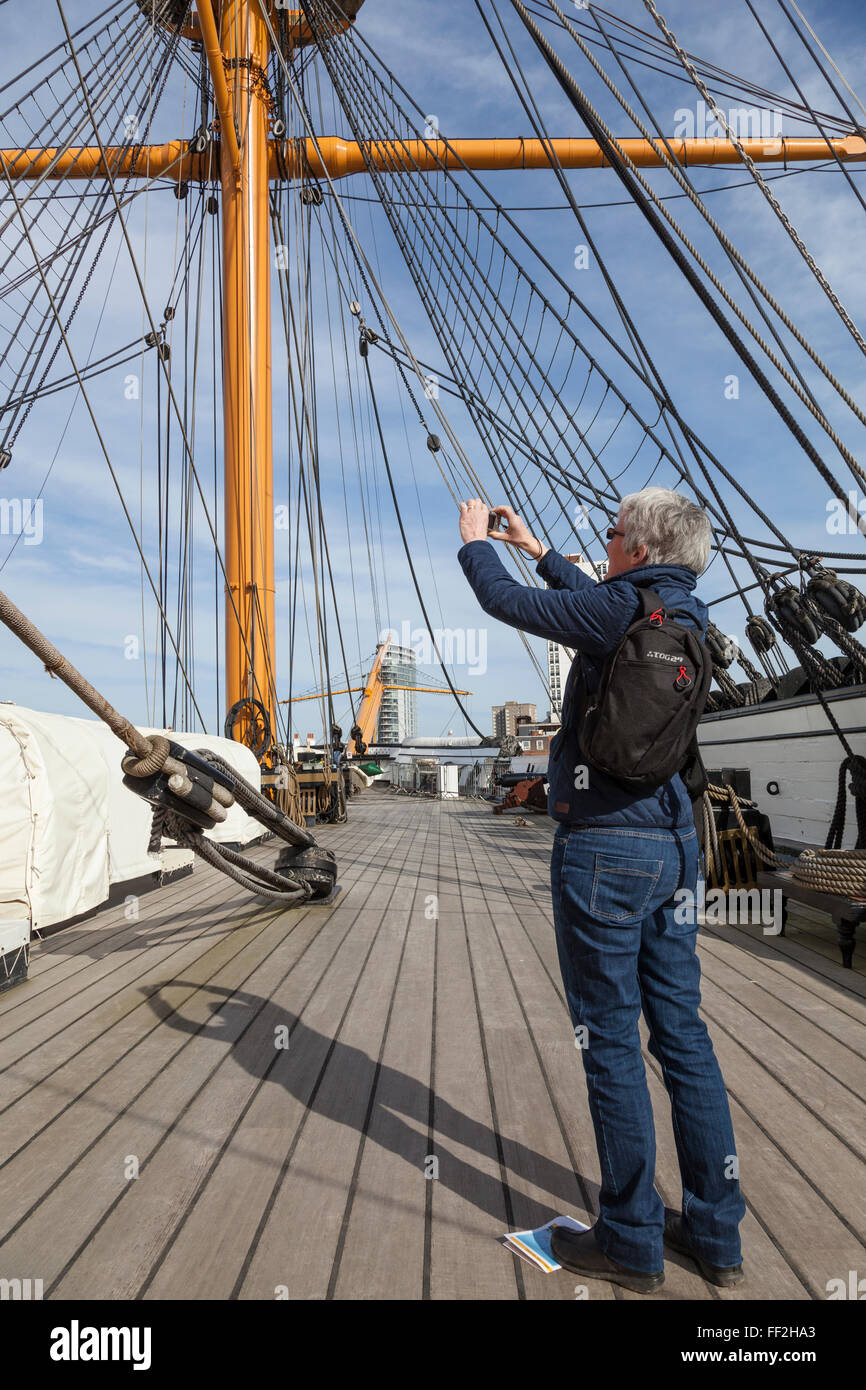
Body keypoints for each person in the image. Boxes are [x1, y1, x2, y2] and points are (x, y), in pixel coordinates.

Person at [457, 488, 745, 1295]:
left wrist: (480, 543)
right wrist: (536, 544)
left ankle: (629, 1239)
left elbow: (507, 602)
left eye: (612, 532)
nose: (606, 540)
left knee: (611, 1041)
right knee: (682, 1034)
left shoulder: (619, 605)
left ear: (640, 546)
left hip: (606, 852)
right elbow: (587, 597)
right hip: (677, 841)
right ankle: (717, 1234)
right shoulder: (684, 611)